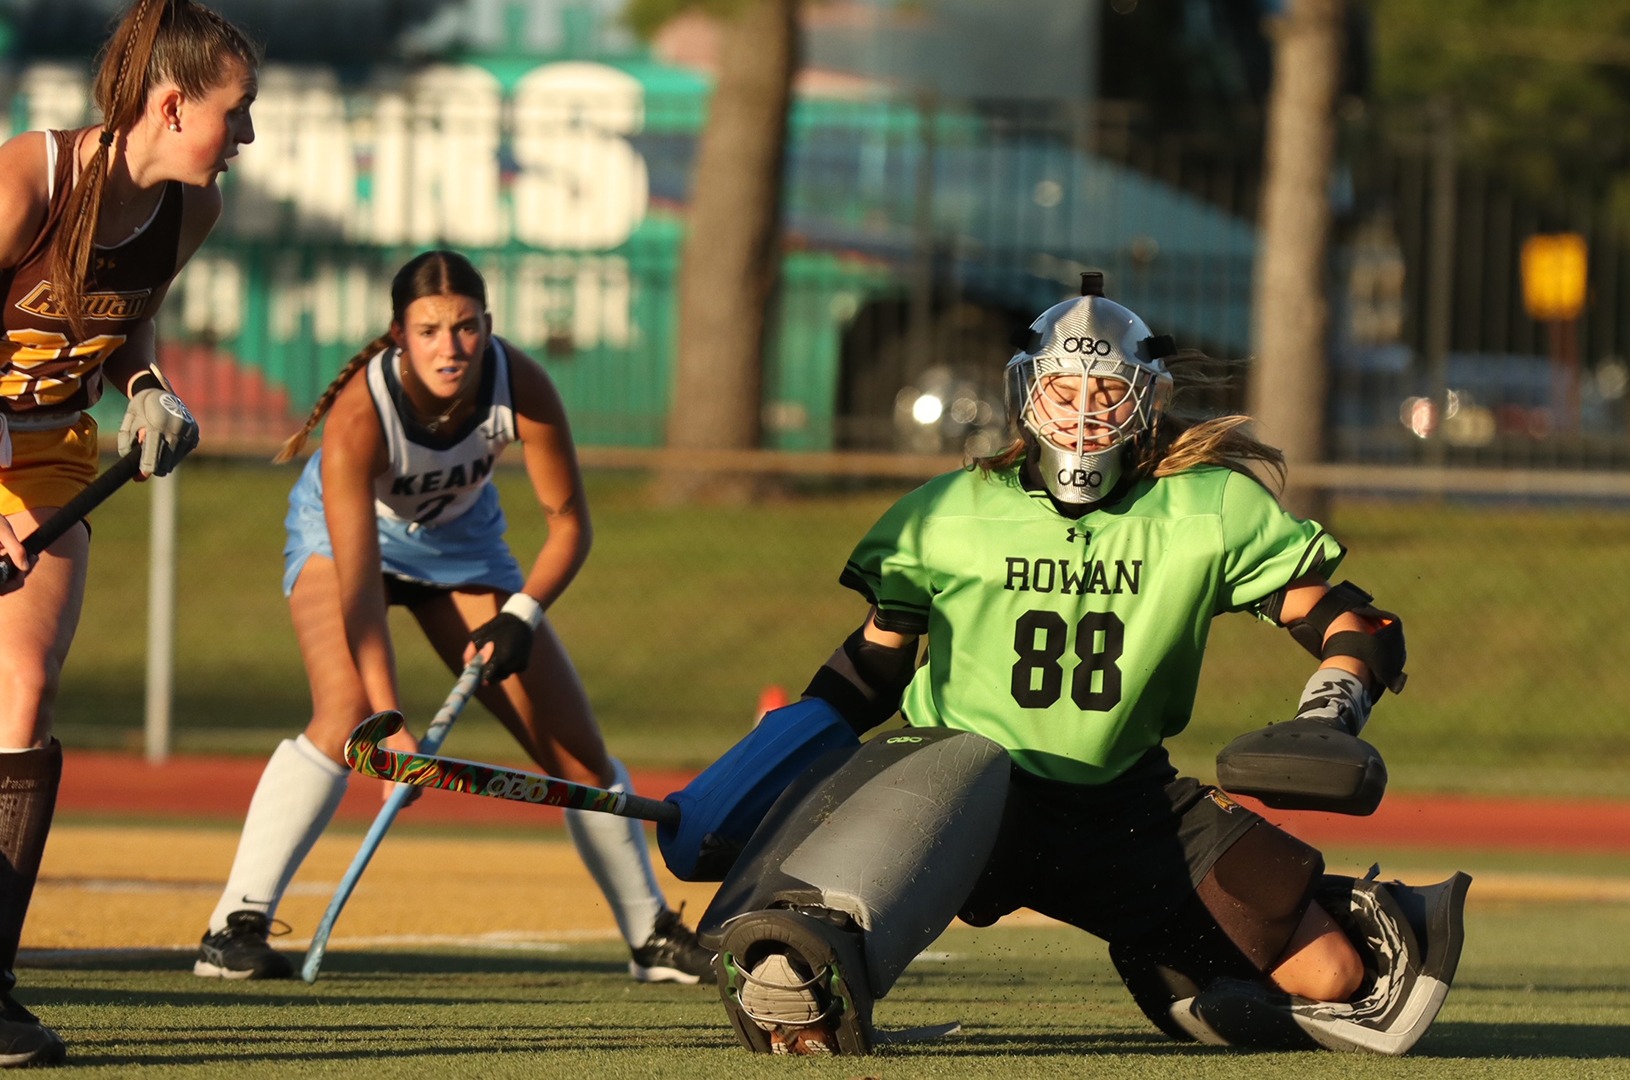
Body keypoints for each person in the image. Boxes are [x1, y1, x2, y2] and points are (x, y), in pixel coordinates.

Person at [689, 273, 1466, 1057]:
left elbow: (1357, 626)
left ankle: (1173, 971)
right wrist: (763, 766)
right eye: (1065, 390)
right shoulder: (947, 512)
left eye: (1109, 393)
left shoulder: (1207, 510)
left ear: (1145, 404)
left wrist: (1331, 707)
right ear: (1026, 396)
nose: (1086, 413)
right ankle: (801, 944)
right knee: (802, 982)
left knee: (1337, 976)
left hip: (1124, 805)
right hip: (961, 791)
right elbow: (870, 669)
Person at [193, 249, 711, 986]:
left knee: (577, 752)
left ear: (488, 327)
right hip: (344, 547)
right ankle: (233, 927)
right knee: (344, 716)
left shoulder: (520, 383)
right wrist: (387, 720)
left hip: (463, 549)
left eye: (465, 328)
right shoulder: (359, 416)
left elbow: (570, 527)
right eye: (430, 330)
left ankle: (650, 937)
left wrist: (522, 615)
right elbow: (360, 588)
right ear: (399, 334)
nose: (451, 347)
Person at [0, 0, 259, 1066]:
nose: (247, 136)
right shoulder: (29, 177)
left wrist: (146, 382)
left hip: (54, 450)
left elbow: (126, 313)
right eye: (237, 112)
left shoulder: (191, 209)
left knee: (23, 692)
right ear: (171, 103)